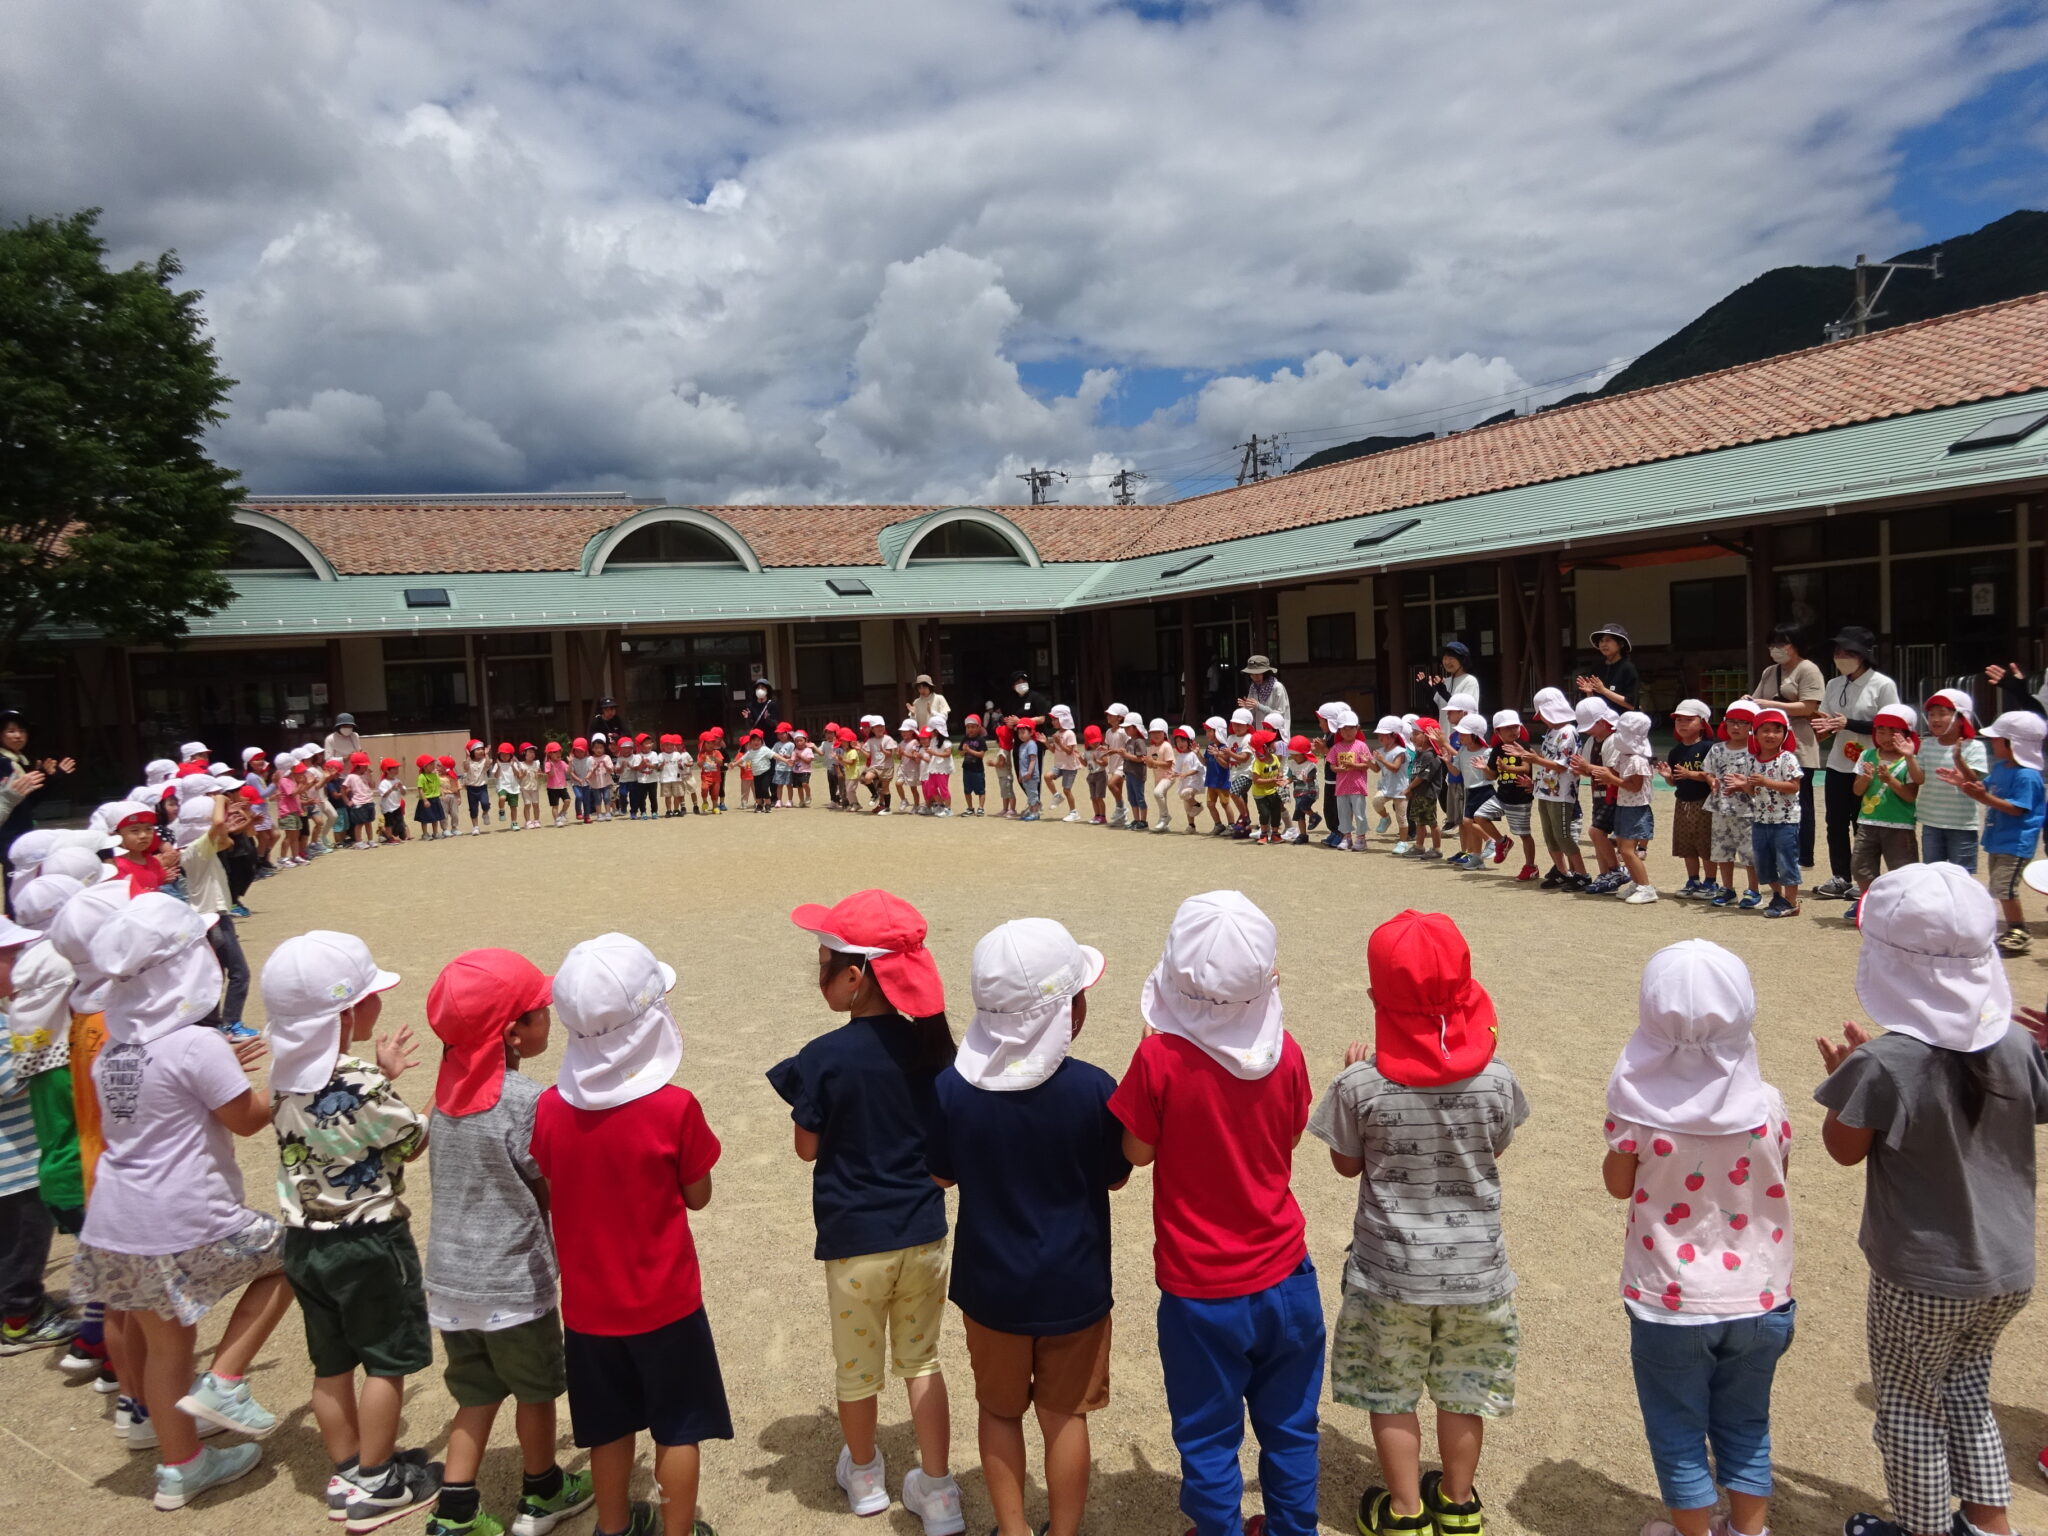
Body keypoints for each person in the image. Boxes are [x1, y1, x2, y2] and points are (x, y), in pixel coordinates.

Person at [1814, 864, 2048, 1536]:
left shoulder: (1885, 1061)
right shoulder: (2015, 1043)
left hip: (1922, 1276)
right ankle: (1989, 1523)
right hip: (2006, 1270)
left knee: (1911, 1410)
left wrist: (1845, 1082)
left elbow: (1843, 1149)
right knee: (1969, 1392)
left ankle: (1924, 1529)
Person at [74, 894, 295, 1511]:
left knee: (167, 1346)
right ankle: (224, 1379)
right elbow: (247, 1119)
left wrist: (224, 1066)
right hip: (183, 1216)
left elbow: (165, 1098)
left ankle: (181, 1467)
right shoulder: (196, 1045)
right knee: (294, 1256)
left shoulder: (113, 1048)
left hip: (118, 1220)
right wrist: (283, 1074)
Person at [1109, 891, 1320, 1536]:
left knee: (1207, 1433)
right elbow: (1289, 1136)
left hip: (1199, 1288)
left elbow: (1136, 1152)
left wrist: (1148, 1060)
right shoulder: (1286, 1052)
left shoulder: (1158, 1059)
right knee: (1291, 1426)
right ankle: (1292, 1528)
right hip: (1286, 1273)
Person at [1312, 909, 1526, 1536]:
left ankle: (1404, 1512)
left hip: (1389, 1273)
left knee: (1391, 1391)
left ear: (1376, 996)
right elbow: (1495, 1147)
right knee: (1463, 1390)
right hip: (1477, 1272)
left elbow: (1346, 1165)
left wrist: (1350, 1073)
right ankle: (1458, 1505)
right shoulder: (1497, 1079)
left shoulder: (1360, 1084)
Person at [768, 891, 963, 1535]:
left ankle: (866, 1477)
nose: (818, 972)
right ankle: (939, 1491)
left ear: (855, 977)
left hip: (856, 1240)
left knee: (857, 1371)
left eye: (824, 962)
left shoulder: (823, 1057)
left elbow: (806, 1149)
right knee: (922, 1362)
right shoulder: (933, 1048)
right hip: (923, 1235)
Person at [927, 919, 1124, 1536]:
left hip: (991, 1287)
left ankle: (1012, 1531)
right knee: (1065, 1417)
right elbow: (1116, 1177)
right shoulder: (1095, 1089)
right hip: (1075, 1283)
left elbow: (941, 1175)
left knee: (998, 1411)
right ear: (1068, 1012)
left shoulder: (951, 1089)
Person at [532, 934, 728, 1536]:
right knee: (679, 1424)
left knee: (608, 1427)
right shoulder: (675, 1107)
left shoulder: (549, 1109)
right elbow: (698, 1195)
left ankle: (612, 1528)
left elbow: (552, 1186)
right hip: (666, 1302)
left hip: (589, 1309)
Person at [1605, 940, 1795, 1536]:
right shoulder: (1768, 1105)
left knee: (1678, 1427)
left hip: (1670, 1299)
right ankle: (1748, 1530)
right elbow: (1778, 1176)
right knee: (1746, 1423)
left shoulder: (1637, 1109)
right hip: (1759, 1296)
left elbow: (1617, 1184)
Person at [262, 931, 441, 1531]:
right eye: (368, 996)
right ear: (344, 1014)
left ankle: (347, 1469)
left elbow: (340, 1122)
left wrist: (381, 1075)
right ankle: (379, 1480)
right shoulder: (358, 1081)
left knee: (331, 1361)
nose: (377, 1004)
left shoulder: (284, 1073)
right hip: (368, 1240)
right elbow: (412, 1140)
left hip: (304, 1241)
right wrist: (440, 1092)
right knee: (386, 1360)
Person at [420, 947, 593, 1536]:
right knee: (535, 1391)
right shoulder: (526, 1102)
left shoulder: (442, 1101)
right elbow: (549, 1182)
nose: (549, 1018)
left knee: (474, 1394)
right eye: (540, 1011)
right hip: (511, 1283)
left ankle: (454, 1512)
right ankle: (542, 1489)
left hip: (450, 1283)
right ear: (513, 1034)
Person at [0, 912, 78, 1355]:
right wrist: (47, 1050)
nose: (20, 962)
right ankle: (19, 1319)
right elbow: (13, 1080)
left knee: (16, 1241)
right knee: (23, 1243)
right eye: (11, 956)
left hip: (19, 1161)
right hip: (13, 1169)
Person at [1938, 710, 2047, 954]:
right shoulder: (2001, 768)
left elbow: (2017, 809)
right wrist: (1961, 775)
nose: (1992, 743)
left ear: (2012, 744)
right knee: (1999, 886)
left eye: (1997, 739)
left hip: (2017, 842)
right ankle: (2012, 928)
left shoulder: (2027, 776)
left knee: (2004, 887)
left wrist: (1984, 797)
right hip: (1999, 839)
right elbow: (1981, 788)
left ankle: (2019, 930)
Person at [1812, 626, 1900, 901]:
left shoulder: (1882, 684)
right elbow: (1827, 719)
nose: (1841, 657)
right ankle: (1840, 876)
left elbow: (1891, 724)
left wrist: (1848, 723)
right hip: (1838, 762)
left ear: (1863, 655)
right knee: (1835, 821)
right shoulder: (1833, 684)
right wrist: (1823, 729)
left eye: (1848, 652)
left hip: (1869, 762)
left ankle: (1865, 877)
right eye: (1837, 652)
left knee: (1864, 822)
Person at [176, 790, 258, 1040]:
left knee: (217, 974)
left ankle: (214, 1024)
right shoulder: (195, 850)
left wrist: (226, 827)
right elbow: (219, 824)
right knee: (239, 973)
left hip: (217, 915)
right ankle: (231, 1022)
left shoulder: (197, 849)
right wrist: (219, 799)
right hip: (212, 918)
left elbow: (227, 841)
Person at [1754, 625, 1826, 864]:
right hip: (1771, 745)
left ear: (1796, 644)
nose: (1776, 649)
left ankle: (1803, 854)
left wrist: (1769, 705)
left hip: (1800, 745)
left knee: (1800, 799)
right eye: (1772, 644)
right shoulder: (1770, 671)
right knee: (1771, 797)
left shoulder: (1808, 669)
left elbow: (1808, 707)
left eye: (1782, 643)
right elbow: (1757, 701)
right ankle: (1777, 850)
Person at [0, 708, 76, 905]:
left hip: (19, 832)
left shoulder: (16, 762)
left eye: (22, 731)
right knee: (16, 884)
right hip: (7, 835)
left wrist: (52, 777)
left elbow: (27, 803)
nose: (18, 736)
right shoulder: (3, 764)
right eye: (11, 731)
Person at [1737, 708, 1804, 918]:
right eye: (1765, 730)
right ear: (1755, 734)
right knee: (1763, 861)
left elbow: (1794, 786)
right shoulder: (1751, 760)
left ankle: (1791, 901)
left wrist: (1766, 782)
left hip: (1786, 820)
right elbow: (1753, 791)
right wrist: (1743, 786)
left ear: (1785, 734)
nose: (1771, 735)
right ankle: (1777, 896)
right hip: (1760, 819)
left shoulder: (1787, 758)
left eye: (1777, 730)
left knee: (1786, 860)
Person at [1851, 705, 1923, 901]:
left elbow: (1910, 796)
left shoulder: (1910, 761)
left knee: (1902, 870)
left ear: (1907, 734)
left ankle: (1903, 905)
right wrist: (1866, 778)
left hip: (1899, 825)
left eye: (1894, 731)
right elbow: (1857, 791)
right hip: (1867, 822)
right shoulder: (1867, 755)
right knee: (1861, 867)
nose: (1886, 737)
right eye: (1881, 731)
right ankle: (1869, 902)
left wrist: (1890, 780)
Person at [1916, 689, 1986, 871]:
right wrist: (1908, 757)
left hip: (1962, 823)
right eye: (1931, 714)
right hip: (1931, 821)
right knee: (1932, 873)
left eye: (1942, 713)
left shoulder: (1974, 746)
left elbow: (1975, 782)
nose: (1935, 719)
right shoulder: (1927, 744)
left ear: (1961, 718)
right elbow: (1919, 779)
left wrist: (1958, 760)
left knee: (1961, 875)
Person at [1706, 701, 1764, 909]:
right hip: (1720, 806)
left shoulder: (1756, 751)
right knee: (1722, 848)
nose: (1736, 727)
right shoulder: (1716, 748)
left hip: (1747, 808)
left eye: (1743, 722)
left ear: (1752, 726)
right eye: (1731, 722)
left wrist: (1744, 785)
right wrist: (1711, 781)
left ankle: (1754, 890)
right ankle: (1727, 888)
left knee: (1749, 851)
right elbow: (1709, 771)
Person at [1527, 687, 1585, 888]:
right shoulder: (1552, 731)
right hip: (1546, 790)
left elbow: (1562, 765)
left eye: (1542, 714)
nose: (1542, 719)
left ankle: (1582, 874)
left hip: (1562, 791)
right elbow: (1549, 760)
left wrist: (1535, 760)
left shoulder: (1568, 731)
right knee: (1550, 836)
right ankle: (1562, 871)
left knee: (1563, 835)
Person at [1659, 700, 1715, 899]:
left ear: (1702, 724)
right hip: (1682, 802)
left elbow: (1713, 776)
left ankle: (1711, 881)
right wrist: (1668, 777)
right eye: (1679, 720)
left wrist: (1690, 774)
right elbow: (1676, 782)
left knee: (1705, 844)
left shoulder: (1710, 748)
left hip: (1705, 802)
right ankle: (1693, 880)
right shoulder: (1676, 752)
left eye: (1689, 720)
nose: (1682, 724)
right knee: (1686, 845)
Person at [1574, 622, 1640, 709]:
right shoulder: (1597, 668)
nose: (1603, 644)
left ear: (1621, 644)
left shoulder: (1628, 668)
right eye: (1601, 641)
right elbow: (1593, 705)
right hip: (1601, 717)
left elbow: (1631, 705)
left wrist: (1604, 690)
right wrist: (1589, 693)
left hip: (1623, 717)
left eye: (1608, 640)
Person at [1417, 642, 1481, 720]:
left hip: (1461, 728)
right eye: (1445, 658)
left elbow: (1464, 710)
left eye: (1451, 658)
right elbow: (1436, 709)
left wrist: (1444, 693)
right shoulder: (1446, 681)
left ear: (1462, 660)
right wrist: (1428, 690)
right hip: (1443, 728)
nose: (1447, 662)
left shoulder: (1470, 681)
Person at [1238, 656, 1291, 737]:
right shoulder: (1253, 687)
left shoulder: (1277, 687)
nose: (1254, 677)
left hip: (1276, 733)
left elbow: (1280, 714)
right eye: (1251, 674)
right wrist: (1247, 708)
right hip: (1260, 732)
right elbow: (1253, 714)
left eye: (1257, 674)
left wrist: (1259, 706)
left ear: (1266, 673)